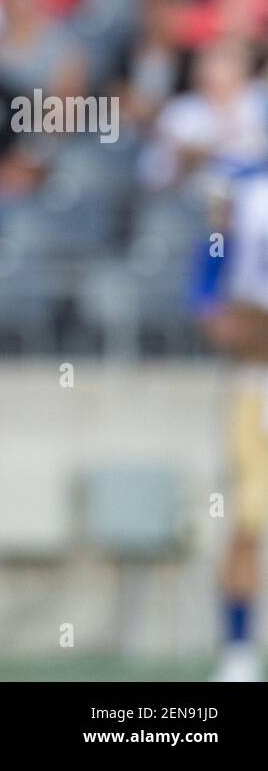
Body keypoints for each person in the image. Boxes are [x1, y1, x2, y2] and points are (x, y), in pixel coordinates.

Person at [195, 158, 268, 682]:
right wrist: (222, 318)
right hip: (255, 376)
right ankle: (239, 650)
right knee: (247, 515)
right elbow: (206, 277)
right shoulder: (240, 183)